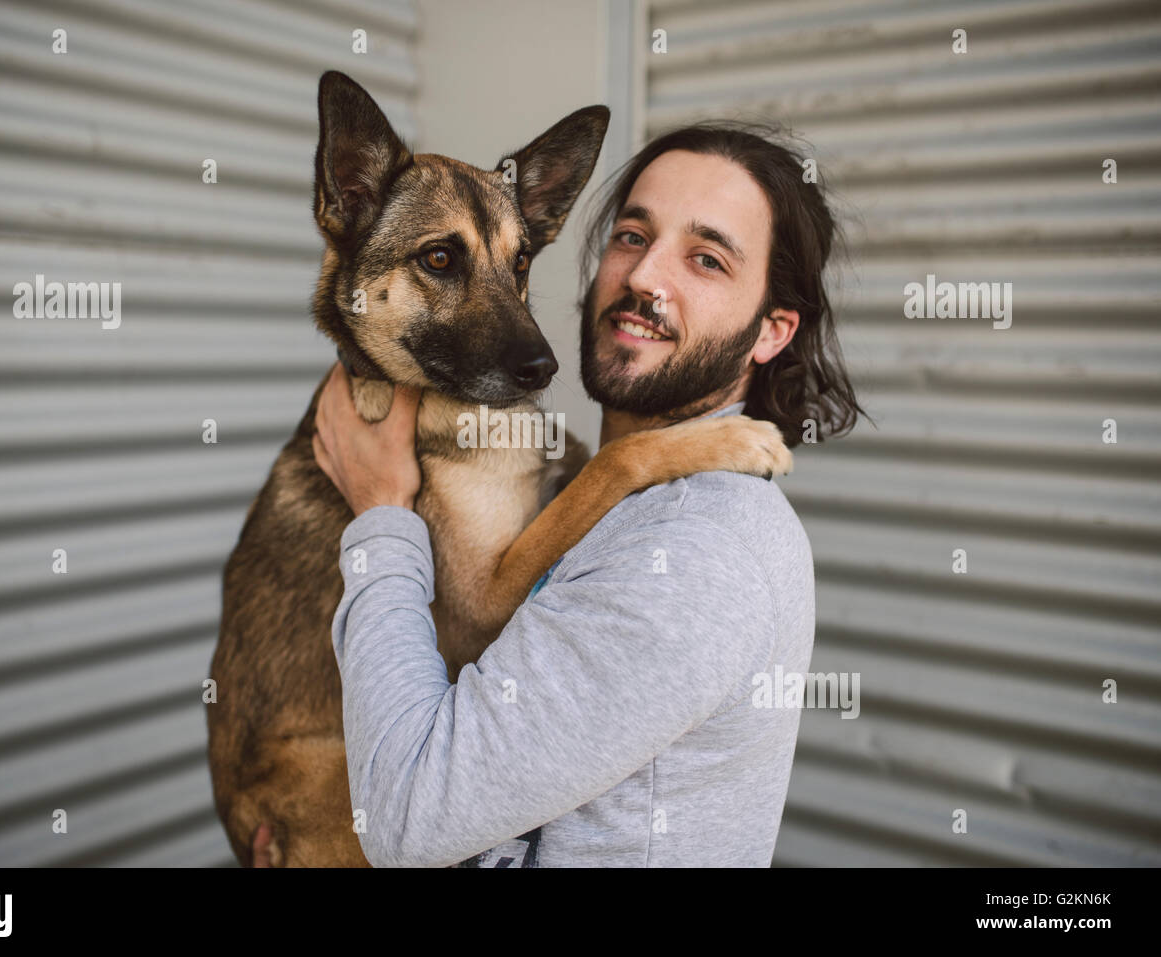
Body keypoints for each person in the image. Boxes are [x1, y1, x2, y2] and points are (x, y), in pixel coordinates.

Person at [301, 122, 865, 867]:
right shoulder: (604, 492)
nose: (645, 277)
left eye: (706, 258)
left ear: (771, 331)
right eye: (633, 236)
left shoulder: (699, 546)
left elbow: (408, 816)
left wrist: (381, 510)